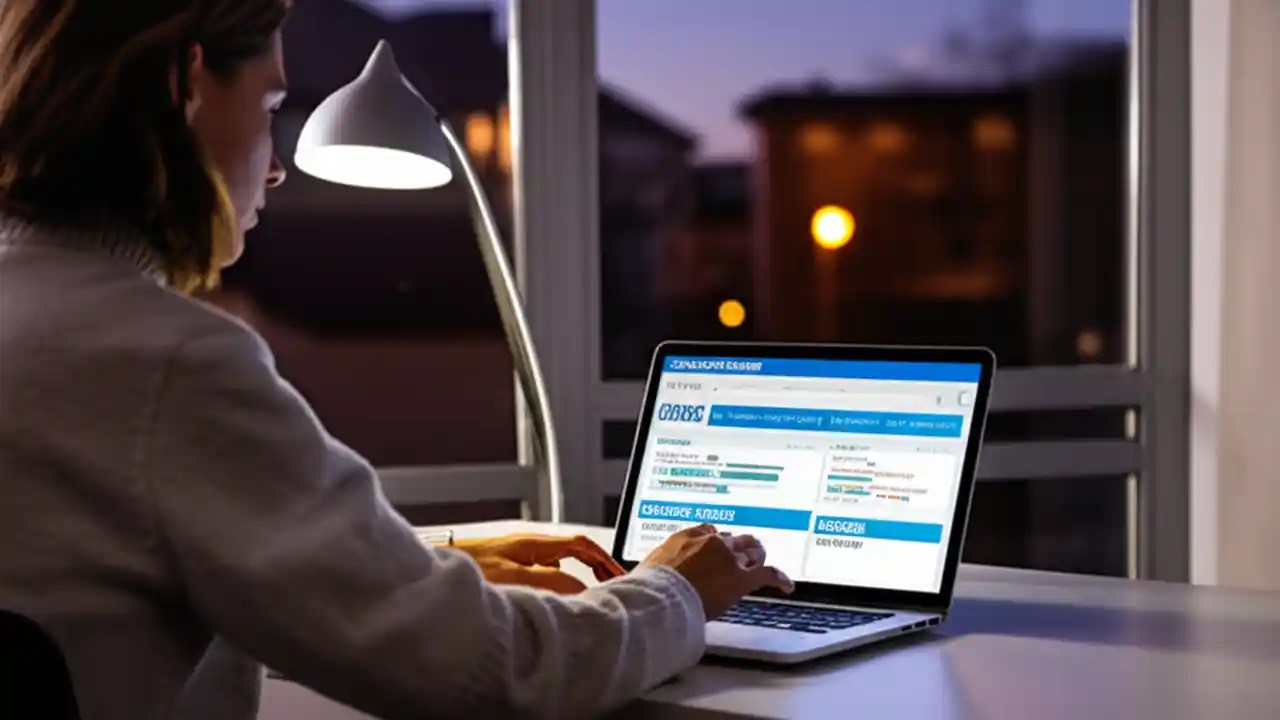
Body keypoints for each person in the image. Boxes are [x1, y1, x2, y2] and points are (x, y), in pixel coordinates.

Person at [0, 1, 795, 718]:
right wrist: (676, 589)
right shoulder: (168, 361)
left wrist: (419, 561)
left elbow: (168, 541)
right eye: (274, 106)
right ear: (189, 83)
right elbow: (490, 672)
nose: (276, 163)